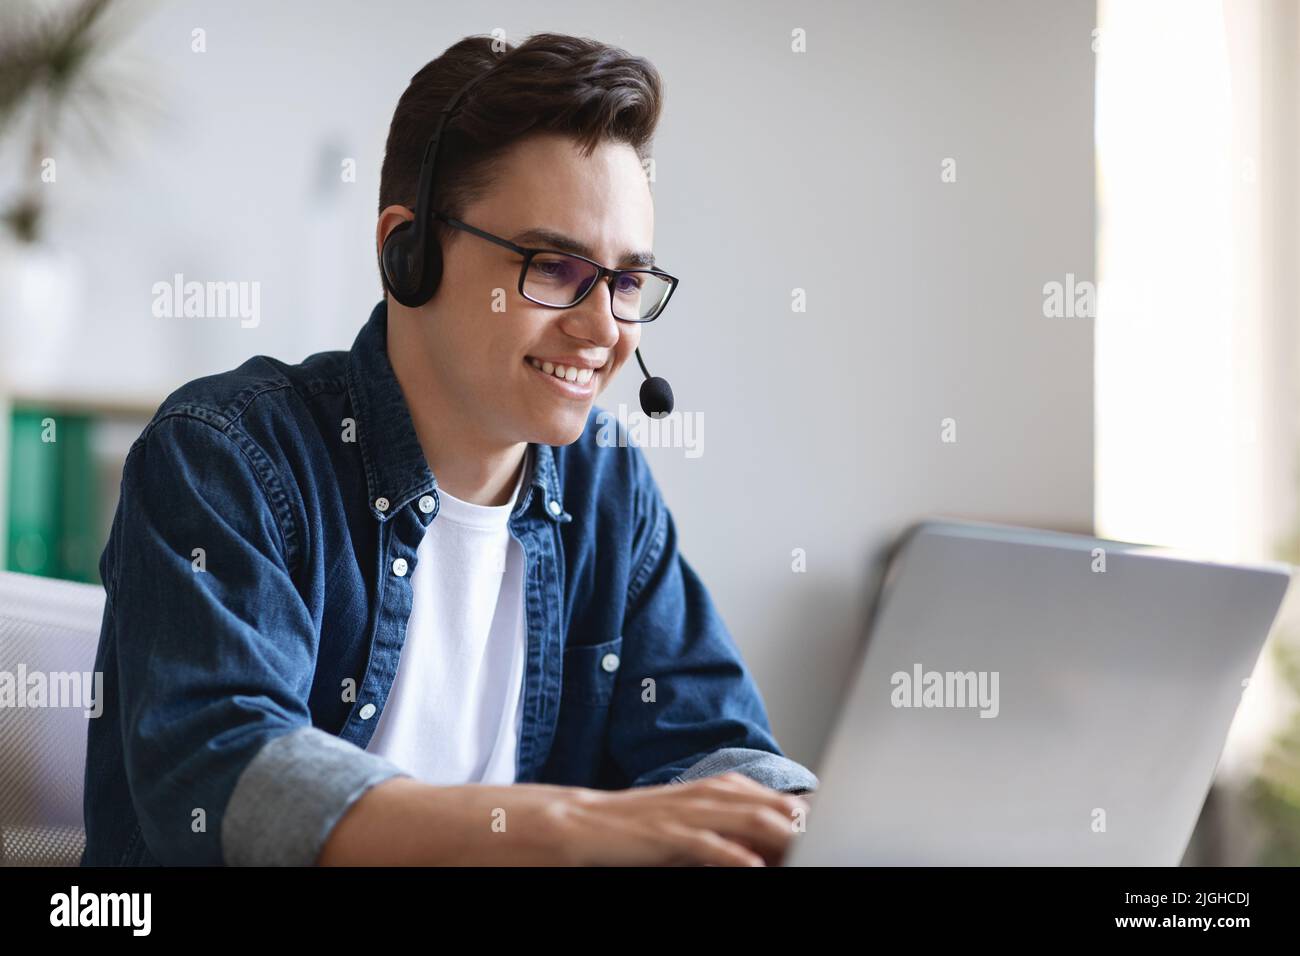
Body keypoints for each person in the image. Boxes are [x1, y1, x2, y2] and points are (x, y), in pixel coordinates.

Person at [82, 31, 816, 867]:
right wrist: (566, 829)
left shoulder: (606, 482)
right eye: (555, 267)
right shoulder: (227, 456)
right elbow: (225, 778)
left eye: (626, 281)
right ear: (409, 251)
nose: (603, 328)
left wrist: (804, 826)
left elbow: (715, 751)